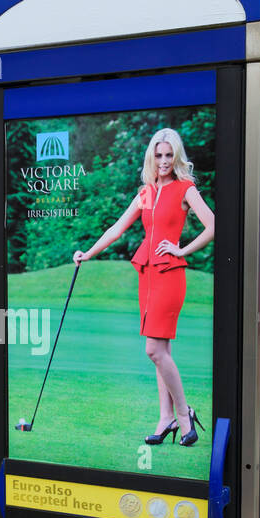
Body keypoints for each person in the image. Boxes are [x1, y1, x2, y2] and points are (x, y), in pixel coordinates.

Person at [73, 127, 215, 446]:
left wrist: (181, 249)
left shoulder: (185, 188)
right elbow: (117, 229)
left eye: (169, 155)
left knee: (153, 349)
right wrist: (88, 253)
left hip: (170, 274)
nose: (163, 161)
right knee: (160, 351)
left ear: (176, 156)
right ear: (151, 156)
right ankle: (165, 418)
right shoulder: (146, 192)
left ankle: (183, 413)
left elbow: (213, 225)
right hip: (147, 276)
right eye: (158, 154)